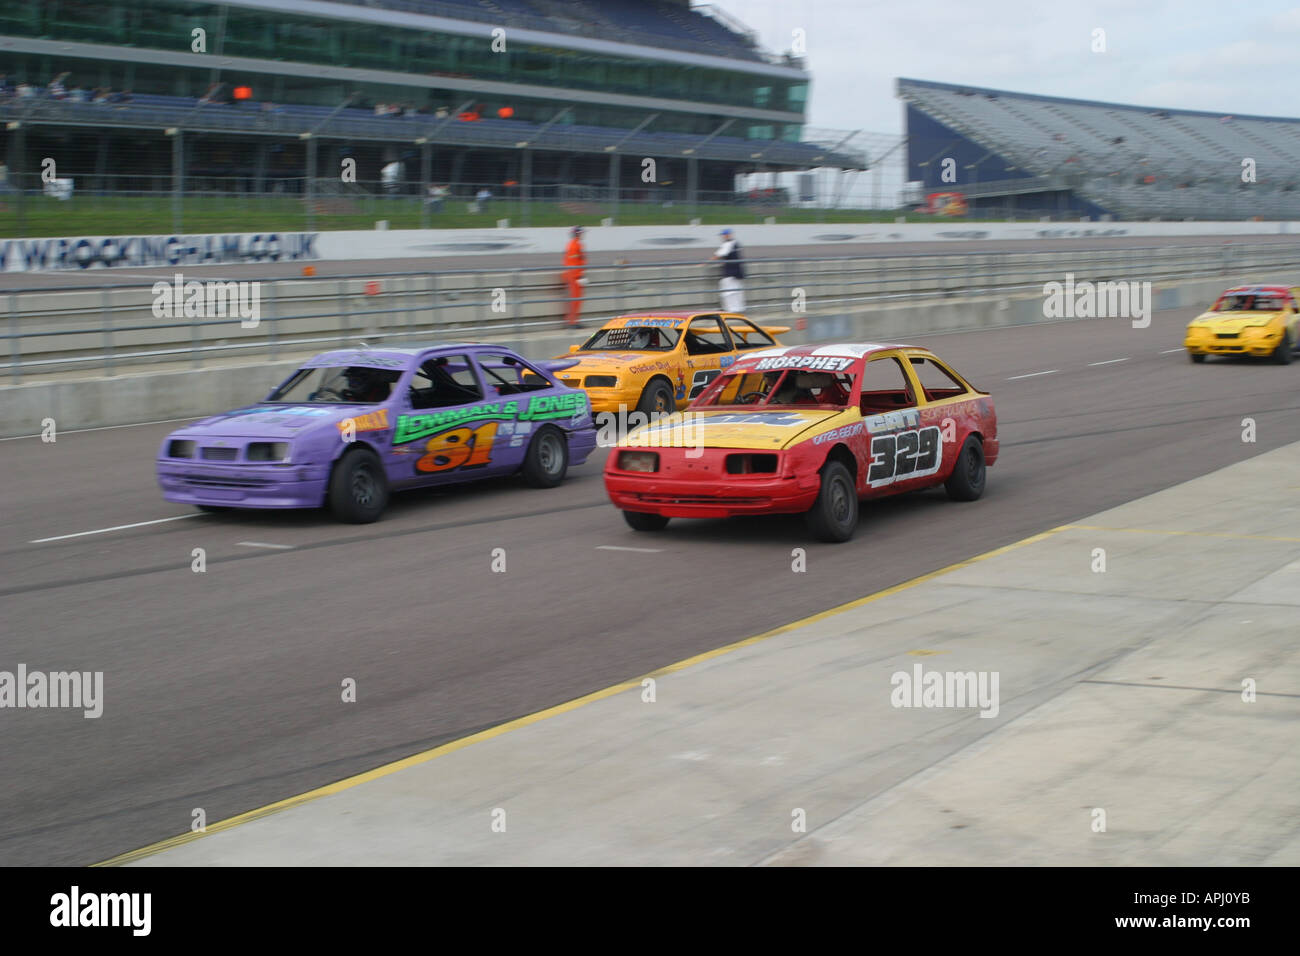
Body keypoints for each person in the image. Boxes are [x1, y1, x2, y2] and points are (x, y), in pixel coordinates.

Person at [711, 227, 745, 312]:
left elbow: (718, 255)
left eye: (724, 235)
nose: (723, 237)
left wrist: (704, 263)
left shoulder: (727, 244)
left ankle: (730, 310)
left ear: (727, 235)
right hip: (738, 272)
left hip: (729, 273)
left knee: (728, 293)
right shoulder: (736, 244)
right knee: (737, 292)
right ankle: (738, 310)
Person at [563, 226, 587, 327]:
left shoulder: (575, 244)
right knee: (575, 300)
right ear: (577, 234)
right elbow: (573, 263)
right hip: (574, 276)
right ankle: (572, 322)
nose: (583, 234)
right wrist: (578, 276)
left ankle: (574, 321)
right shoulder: (574, 245)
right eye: (581, 233)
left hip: (575, 275)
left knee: (577, 300)